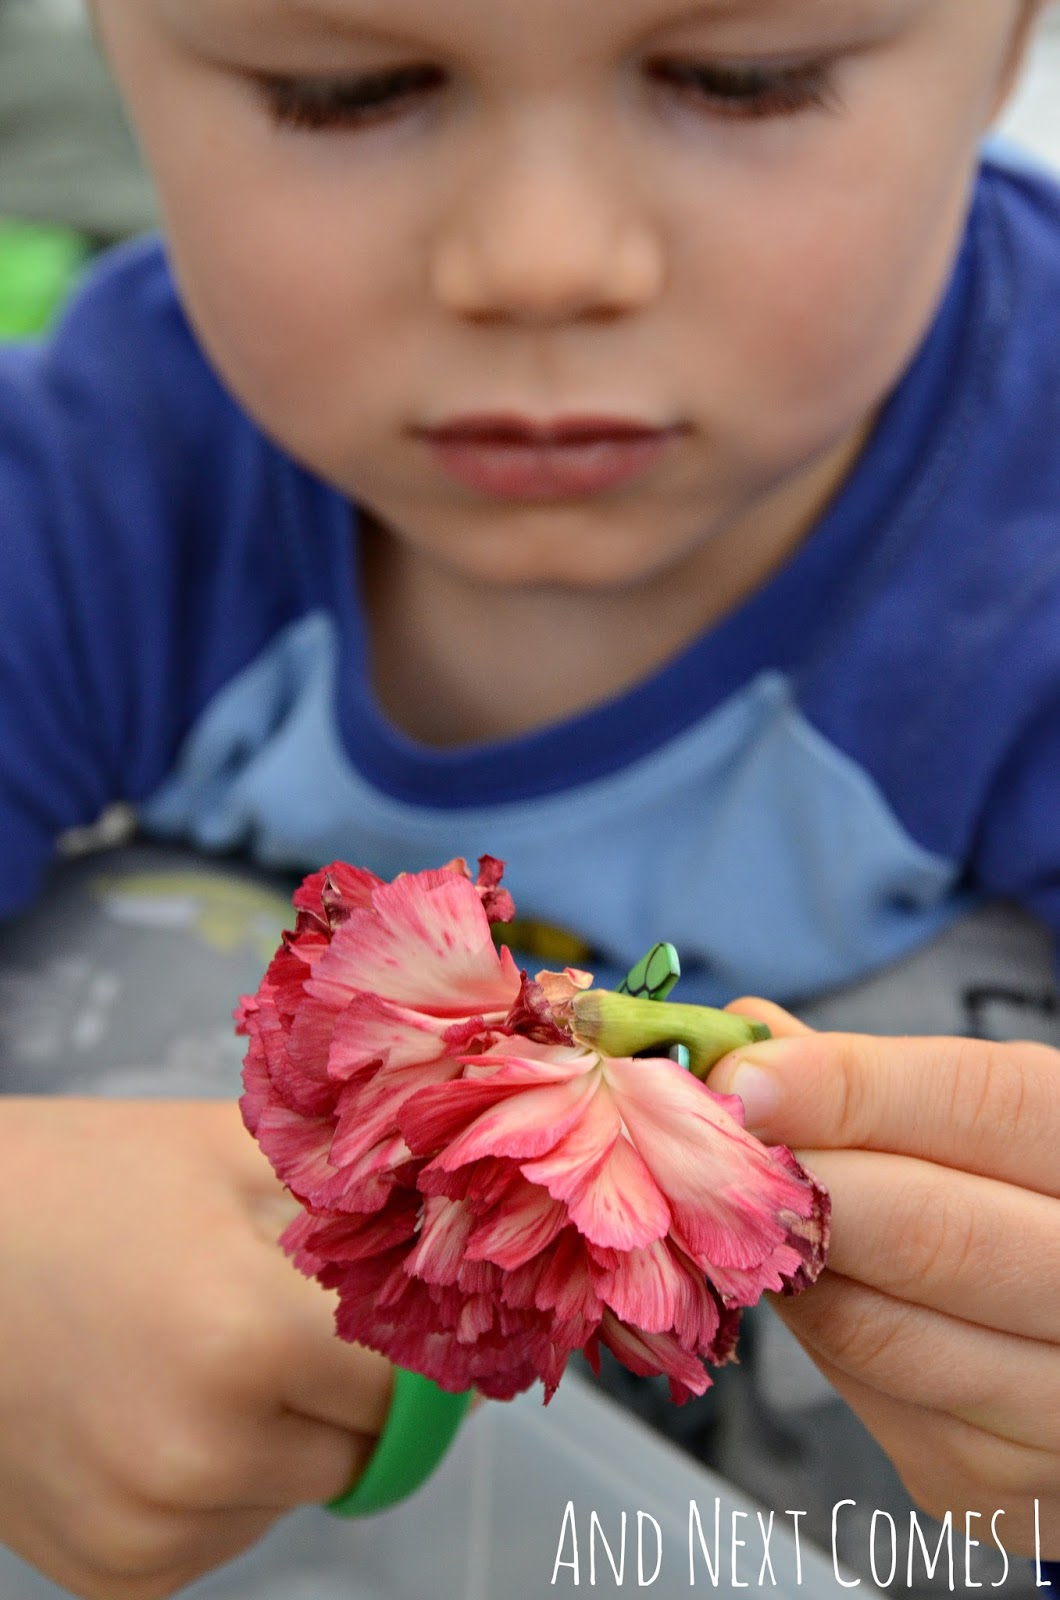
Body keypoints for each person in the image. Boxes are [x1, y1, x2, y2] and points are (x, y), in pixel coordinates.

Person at [0, 0, 1058, 1595]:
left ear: (1008, 46)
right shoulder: (104, 486)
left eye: (743, 78)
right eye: (342, 92)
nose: (542, 261)